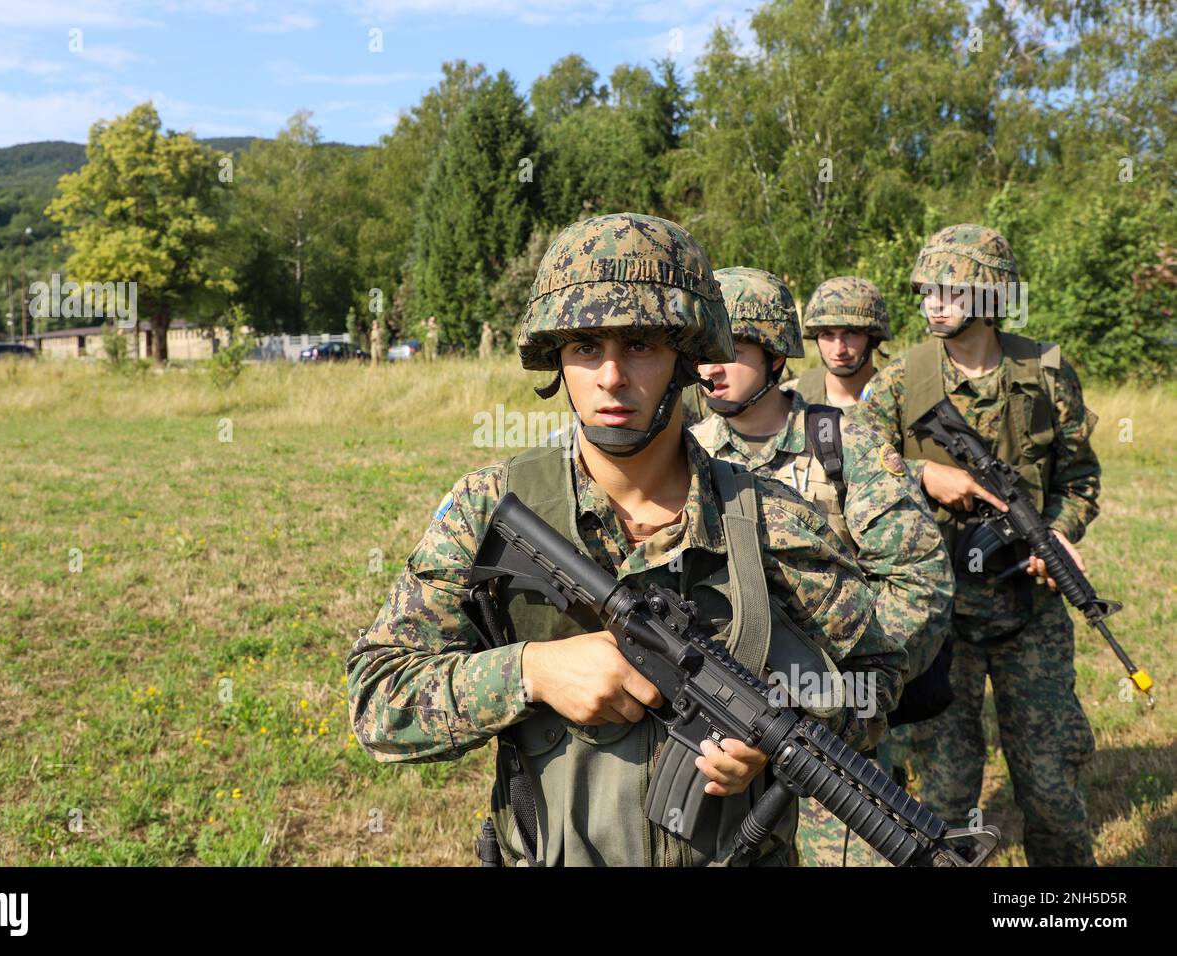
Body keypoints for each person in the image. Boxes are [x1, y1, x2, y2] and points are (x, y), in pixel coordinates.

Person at [347, 212, 907, 866]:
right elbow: (378, 699)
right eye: (586, 348)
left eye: (640, 346)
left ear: (687, 360)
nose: (611, 377)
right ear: (557, 359)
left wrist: (782, 741)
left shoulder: (770, 519)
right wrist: (530, 672)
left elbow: (874, 679)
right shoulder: (489, 508)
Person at [854, 224, 1101, 867]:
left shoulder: (1045, 370)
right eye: (926, 290)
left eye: (952, 291)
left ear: (991, 296)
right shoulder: (901, 380)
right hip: (939, 612)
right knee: (944, 793)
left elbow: (1079, 479)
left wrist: (1059, 536)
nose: (934, 303)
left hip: (1030, 610)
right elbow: (845, 468)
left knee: (1052, 790)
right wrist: (922, 474)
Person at [690, 267, 953, 866]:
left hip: (830, 737)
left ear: (777, 353)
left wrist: (850, 699)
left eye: (729, 350)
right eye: (702, 352)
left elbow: (921, 583)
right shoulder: (687, 451)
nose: (710, 368)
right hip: (714, 731)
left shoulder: (843, 446)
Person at [788, 276, 892, 410]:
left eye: (851, 333)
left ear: (874, 338)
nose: (839, 350)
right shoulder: (791, 398)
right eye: (827, 334)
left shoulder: (898, 400)